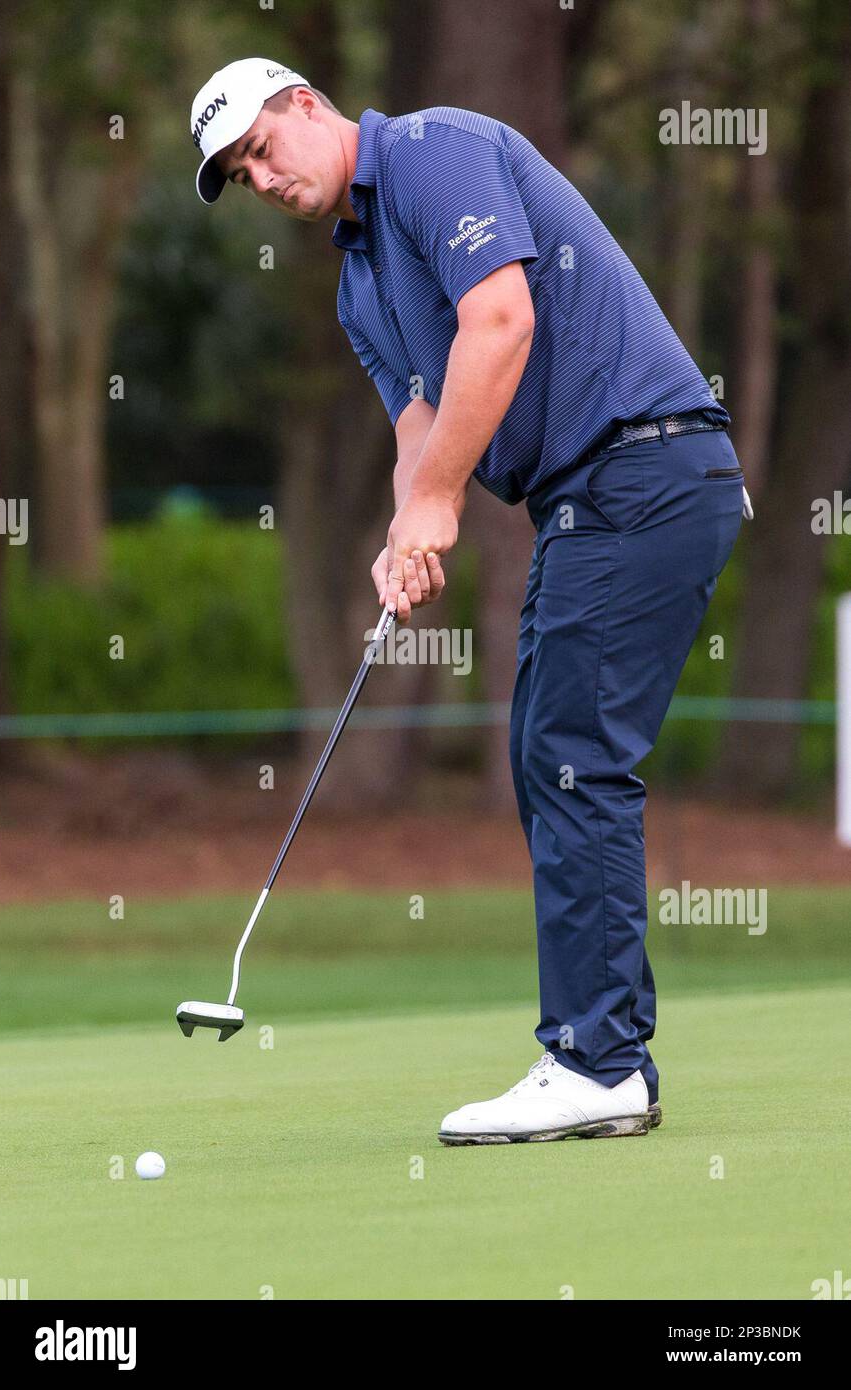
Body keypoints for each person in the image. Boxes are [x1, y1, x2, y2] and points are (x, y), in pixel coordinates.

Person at [190, 57, 748, 1144]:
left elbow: (499, 322)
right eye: (238, 174)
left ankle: (598, 1062)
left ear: (307, 103)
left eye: (260, 147)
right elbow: (418, 415)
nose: (260, 177)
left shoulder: (433, 151)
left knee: (570, 750)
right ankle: (596, 1053)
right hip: (586, 495)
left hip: (642, 465)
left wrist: (442, 497)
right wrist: (407, 531)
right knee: (548, 749)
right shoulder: (358, 278)